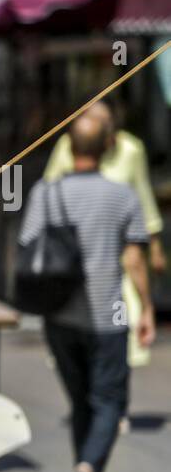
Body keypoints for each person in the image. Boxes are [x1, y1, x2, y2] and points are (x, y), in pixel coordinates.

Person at [21, 111, 154, 472]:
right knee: (109, 399)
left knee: (80, 401)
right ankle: (88, 466)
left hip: (59, 315)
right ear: (109, 146)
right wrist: (146, 307)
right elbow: (133, 258)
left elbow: (29, 243)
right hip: (107, 315)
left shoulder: (45, 192)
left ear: (69, 148)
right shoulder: (122, 195)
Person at [43, 101, 165, 372]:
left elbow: (143, 199)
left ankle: (111, 403)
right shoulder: (67, 147)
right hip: (76, 257)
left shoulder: (131, 150)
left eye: (104, 120)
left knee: (120, 333)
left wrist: (155, 245)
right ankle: (101, 402)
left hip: (117, 257)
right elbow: (49, 193)